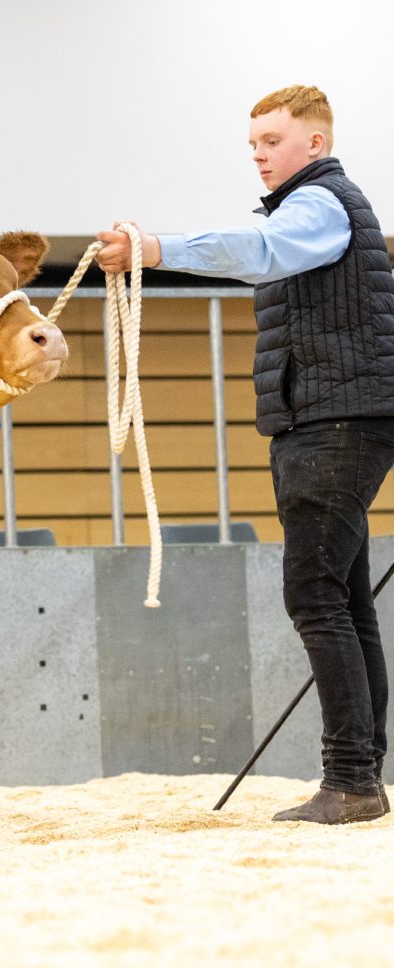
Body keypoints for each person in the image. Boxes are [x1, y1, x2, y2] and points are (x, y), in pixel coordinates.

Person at [96, 84, 394, 824]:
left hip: (334, 422)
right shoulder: (321, 204)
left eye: (271, 141)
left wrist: (157, 250)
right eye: (253, 144)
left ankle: (352, 780)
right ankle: (359, 776)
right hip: (332, 416)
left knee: (317, 598)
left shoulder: (319, 206)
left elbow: (259, 252)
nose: (258, 155)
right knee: (345, 602)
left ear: (313, 145)